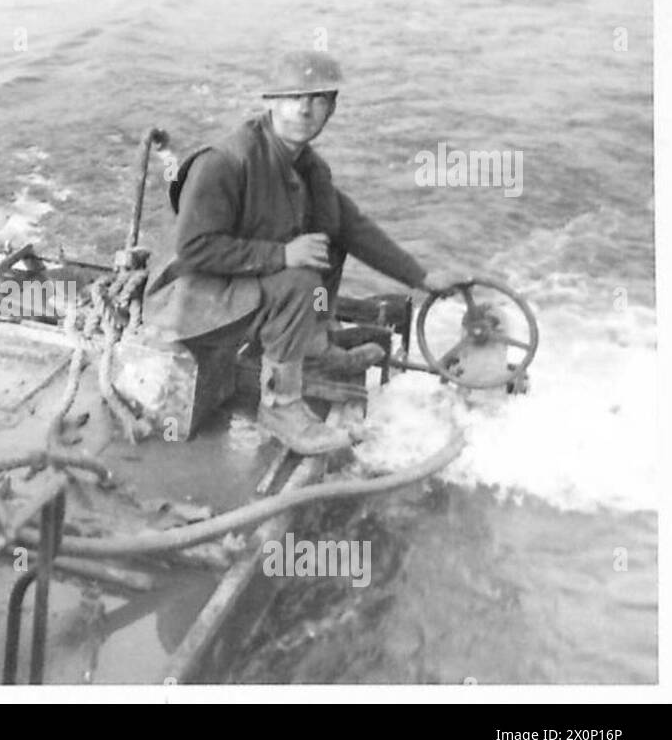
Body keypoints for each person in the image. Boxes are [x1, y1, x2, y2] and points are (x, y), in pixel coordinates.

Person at [144, 50, 468, 454]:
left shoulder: (308, 168)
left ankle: (310, 346)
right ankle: (281, 405)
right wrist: (282, 256)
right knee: (298, 274)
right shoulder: (226, 161)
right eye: (293, 98)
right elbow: (191, 249)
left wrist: (423, 278)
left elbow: (355, 228)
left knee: (324, 238)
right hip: (187, 305)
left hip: (231, 289)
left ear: (332, 107)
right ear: (271, 102)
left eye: (318, 99)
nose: (304, 110)